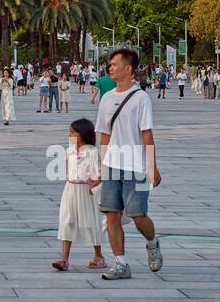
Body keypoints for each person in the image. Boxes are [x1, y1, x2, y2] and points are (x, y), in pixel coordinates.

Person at [95, 49, 163, 281]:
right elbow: (104, 134)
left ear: (128, 69)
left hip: (136, 166)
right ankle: (121, 263)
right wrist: (100, 164)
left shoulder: (141, 98)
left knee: (138, 215)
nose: (110, 68)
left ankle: (152, 243)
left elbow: (147, 133)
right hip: (112, 164)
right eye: (109, 64)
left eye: (114, 64)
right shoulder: (106, 98)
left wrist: (152, 166)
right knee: (111, 216)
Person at [52, 118, 107, 272]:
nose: (70, 135)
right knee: (67, 220)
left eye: (73, 132)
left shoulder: (92, 152)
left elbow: (100, 173)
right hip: (70, 189)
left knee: (91, 222)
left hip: (86, 191)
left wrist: (94, 186)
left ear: (82, 134)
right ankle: (64, 259)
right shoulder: (69, 151)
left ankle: (99, 256)